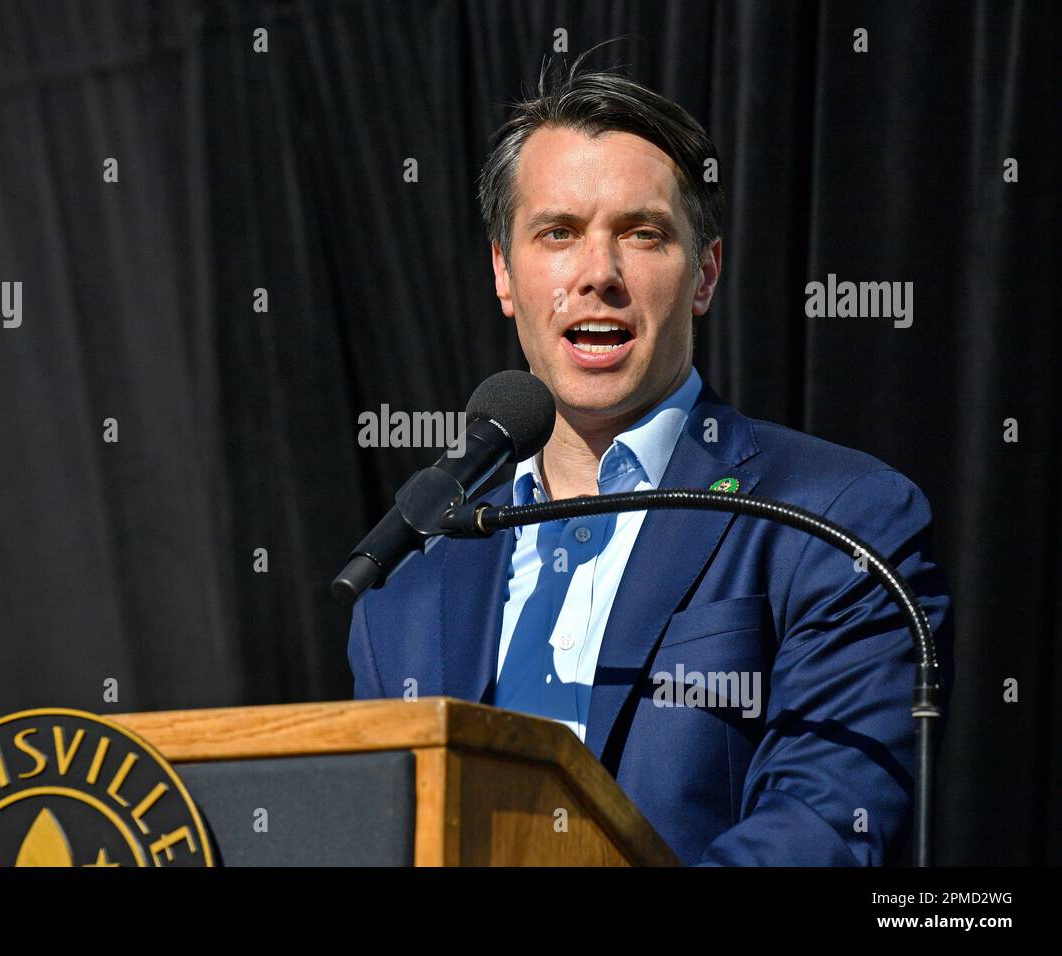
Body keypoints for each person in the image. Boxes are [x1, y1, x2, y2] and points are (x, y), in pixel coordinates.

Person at [347, 56, 954, 866]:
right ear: (504, 272)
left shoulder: (838, 521)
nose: (597, 275)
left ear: (703, 274)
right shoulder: (406, 595)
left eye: (642, 234)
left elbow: (823, 828)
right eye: (557, 233)